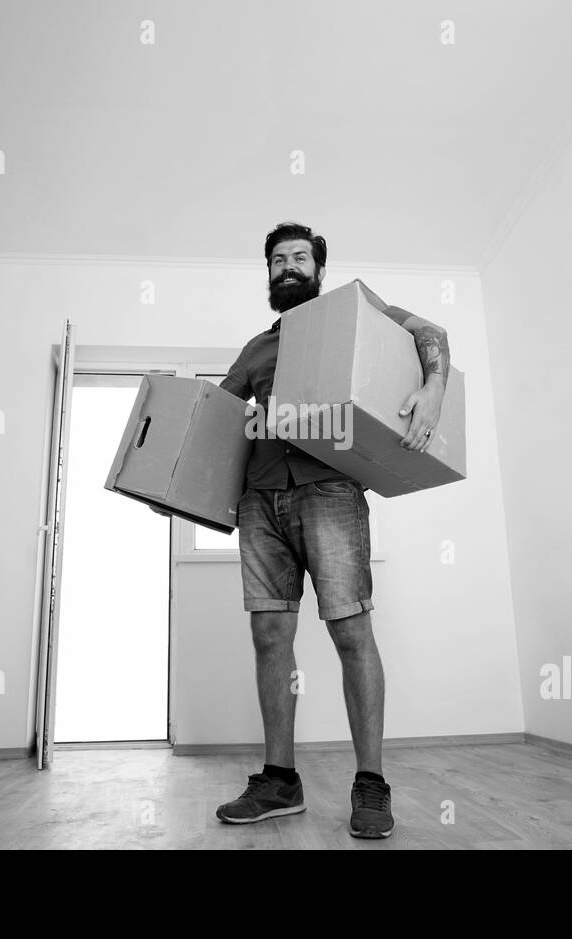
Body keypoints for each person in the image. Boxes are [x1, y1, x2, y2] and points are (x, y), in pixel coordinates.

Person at [214, 221, 451, 839]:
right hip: (260, 502)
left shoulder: (356, 312)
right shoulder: (254, 350)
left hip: (330, 492)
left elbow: (430, 331)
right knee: (270, 635)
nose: (287, 266)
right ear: (268, 274)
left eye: (299, 257)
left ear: (319, 268)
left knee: (351, 631)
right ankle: (280, 781)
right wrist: (178, 484)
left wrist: (432, 389)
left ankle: (370, 785)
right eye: (277, 260)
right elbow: (214, 424)